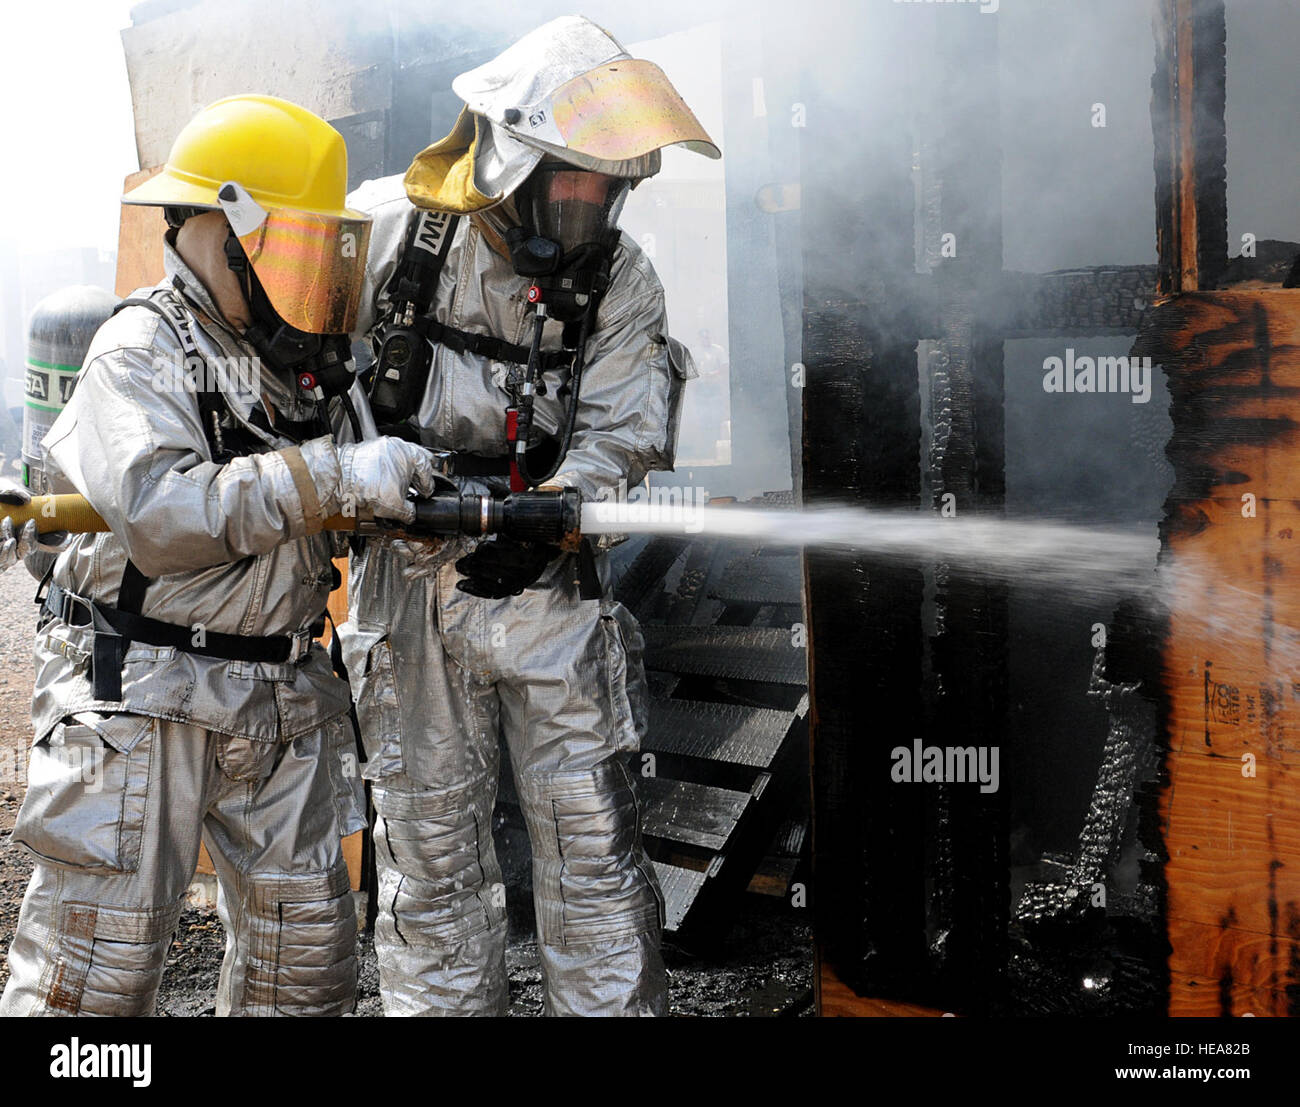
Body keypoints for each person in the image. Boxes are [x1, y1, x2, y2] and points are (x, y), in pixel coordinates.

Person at [0, 94, 438, 1016]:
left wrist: (413, 495)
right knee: (96, 980)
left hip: (279, 692)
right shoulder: (140, 349)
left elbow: (350, 499)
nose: (312, 281)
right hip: (141, 684)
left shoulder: (310, 366)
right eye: (296, 249)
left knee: (306, 973)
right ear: (225, 231)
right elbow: (163, 513)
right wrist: (337, 478)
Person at [340, 15, 718, 1015]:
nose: (590, 209)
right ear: (513, 162)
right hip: (408, 580)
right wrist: (359, 477)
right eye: (573, 183)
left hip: (551, 587)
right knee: (429, 856)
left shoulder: (622, 279)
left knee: (593, 852)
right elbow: (286, 381)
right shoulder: (388, 231)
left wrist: (554, 509)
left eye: (610, 189)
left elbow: (625, 433)